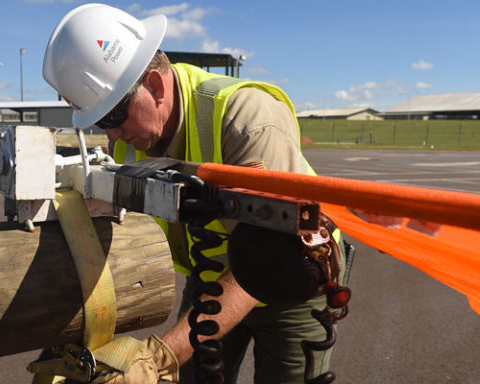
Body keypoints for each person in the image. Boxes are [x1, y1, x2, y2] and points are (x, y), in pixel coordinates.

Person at [42, 4, 349, 383]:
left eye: (112, 117)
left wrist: (161, 355)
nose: (112, 136)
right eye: (100, 122)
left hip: (292, 278)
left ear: (154, 85)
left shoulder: (246, 119)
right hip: (212, 277)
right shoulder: (131, 140)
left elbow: (270, 261)